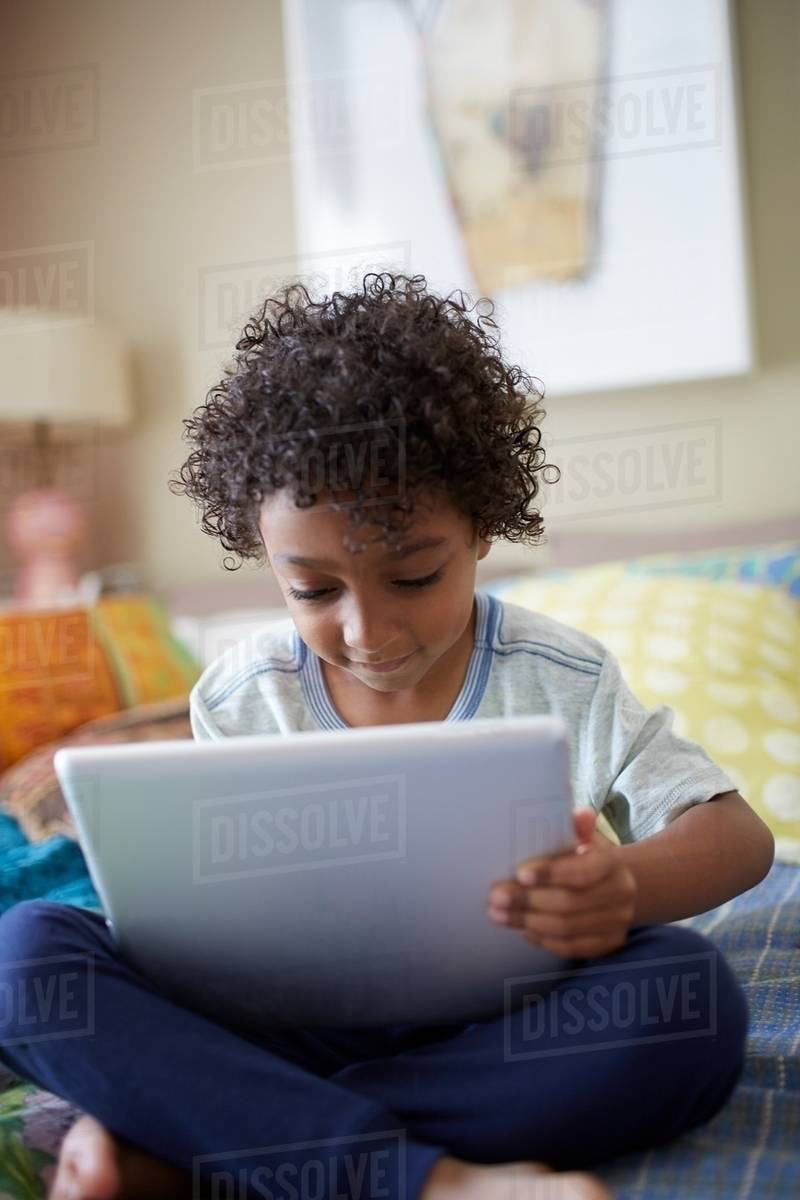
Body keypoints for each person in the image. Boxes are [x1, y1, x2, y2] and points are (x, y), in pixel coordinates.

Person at [0, 273, 773, 1200]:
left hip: (506, 1021)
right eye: (315, 590)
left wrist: (625, 885)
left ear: (483, 530)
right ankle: (434, 1179)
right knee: (27, 956)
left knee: (688, 997)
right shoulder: (242, 696)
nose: (367, 631)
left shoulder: (561, 675)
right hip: (287, 1017)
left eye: (412, 578)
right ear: (264, 554)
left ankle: (212, 1141)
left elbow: (740, 838)